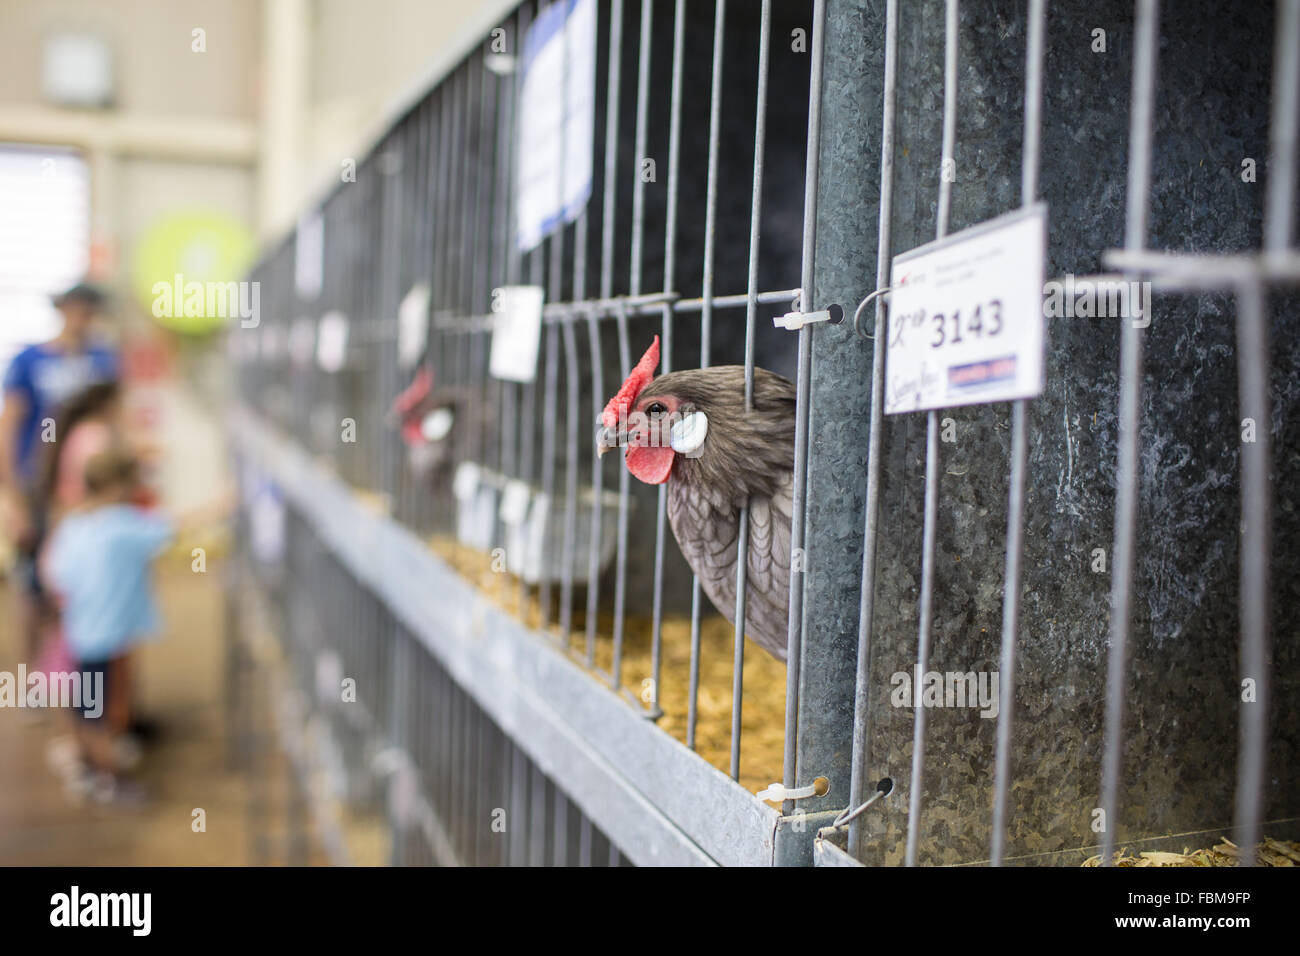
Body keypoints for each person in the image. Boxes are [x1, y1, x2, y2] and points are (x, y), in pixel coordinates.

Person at [43, 448, 172, 805]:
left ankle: (88, 766)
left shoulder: (73, 524)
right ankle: (109, 780)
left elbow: (55, 574)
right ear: (118, 486)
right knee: (97, 715)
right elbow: (170, 528)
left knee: (84, 708)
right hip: (99, 638)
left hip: (77, 632)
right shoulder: (122, 524)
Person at [0, 283, 118, 662]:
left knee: (85, 584)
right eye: (76, 309)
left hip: (87, 492)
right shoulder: (29, 362)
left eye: (89, 310)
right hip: (38, 487)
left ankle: (76, 681)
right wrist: (12, 494)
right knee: (34, 586)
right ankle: (37, 678)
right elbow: (10, 425)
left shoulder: (102, 359)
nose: (82, 318)